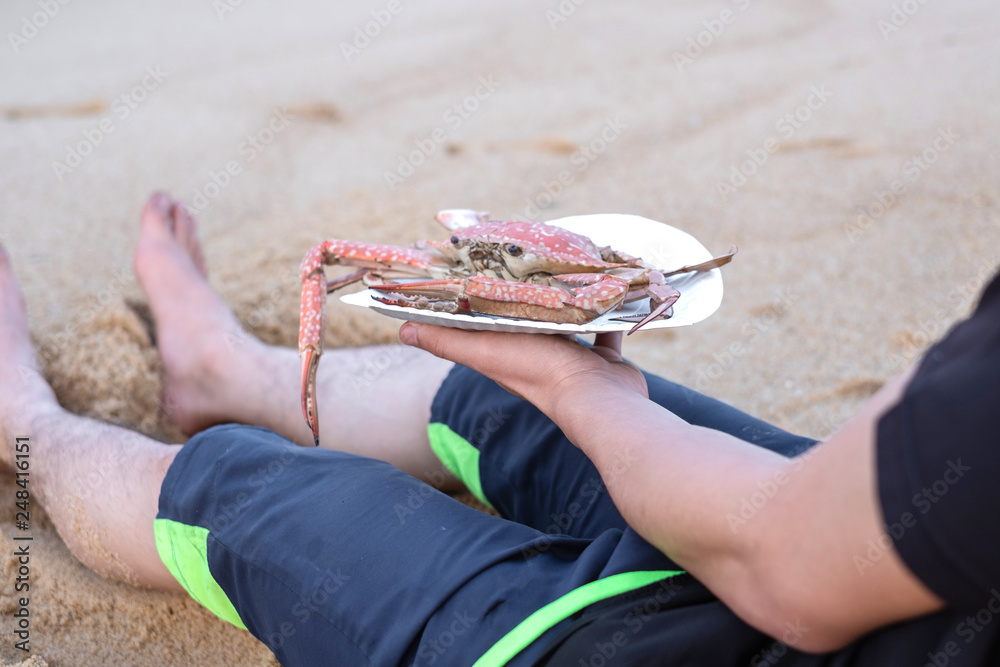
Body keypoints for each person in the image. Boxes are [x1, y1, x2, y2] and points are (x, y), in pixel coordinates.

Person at [1, 191, 997, 666]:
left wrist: (594, 399)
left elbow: (790, 574)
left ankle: (22, 416)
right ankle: (234, 371)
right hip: (896, 583)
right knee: (517, 390)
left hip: (753, 632)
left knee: (243, 494)